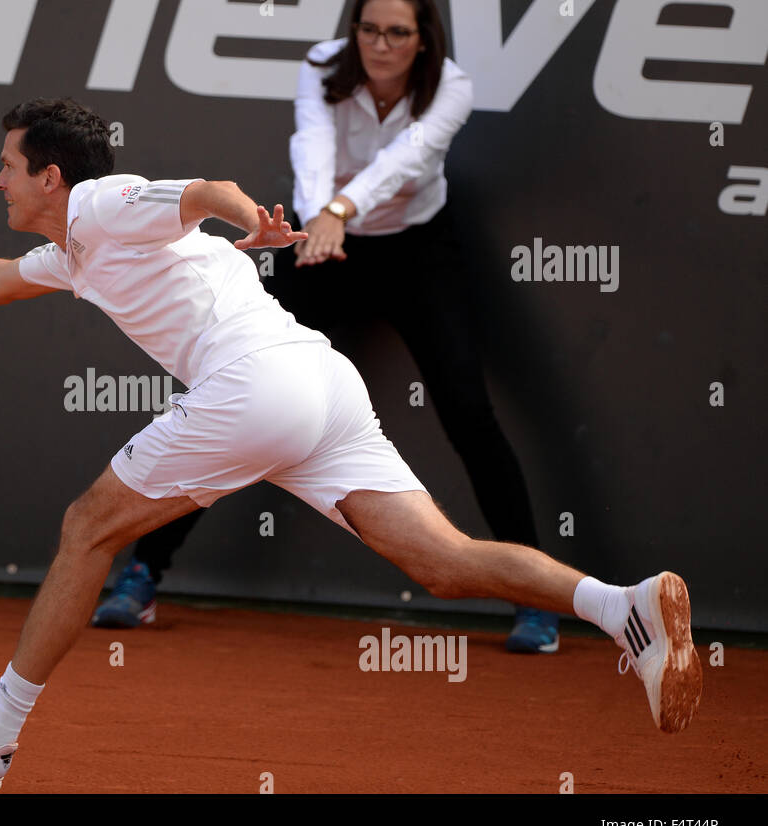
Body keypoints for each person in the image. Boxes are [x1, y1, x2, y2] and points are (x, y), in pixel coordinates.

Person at [0, 98, 701, 792]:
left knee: (88, 526)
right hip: (318, 385)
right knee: (445, 560)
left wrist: (253, 218)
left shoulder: (101, 200)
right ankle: (619, 607)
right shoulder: (77, 249)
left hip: (254, 388)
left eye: (7, 165)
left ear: (51, 177)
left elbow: (200, 194)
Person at [92, 0, 560, 655]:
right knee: (229, 399)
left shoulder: (450, 86)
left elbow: (410, 159)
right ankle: (142, 574)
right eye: (369, 29)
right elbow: (310, 145)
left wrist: (340, 207)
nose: (381, 44)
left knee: (467, 410)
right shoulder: (320, 67)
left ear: (424, 42)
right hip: (320, 244)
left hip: (417, 252)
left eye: (399, 33)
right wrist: (319, 218)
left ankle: (533, 597)